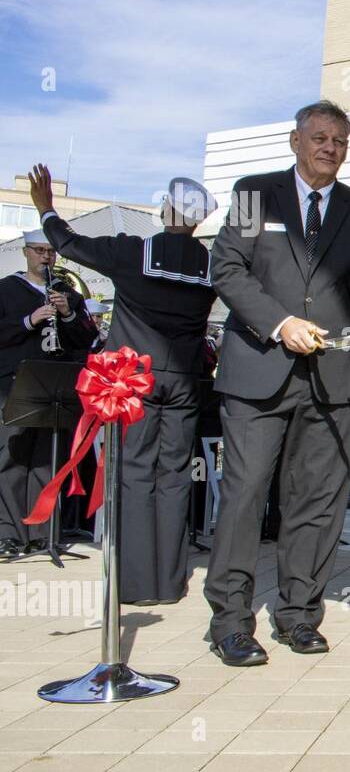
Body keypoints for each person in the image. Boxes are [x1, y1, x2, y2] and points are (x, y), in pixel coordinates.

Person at [204, 100, 350, 667]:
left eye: (339, 140)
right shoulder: (253, 194)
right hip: (258, 372)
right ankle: (232, 623)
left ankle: (298, 616)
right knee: (244, 498)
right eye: (319, 137)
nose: (329, 148)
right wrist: (280, 322)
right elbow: (228, 270)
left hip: (334, 377)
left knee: (318, 503)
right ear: (295, 141)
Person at [30, 165, 220, 604]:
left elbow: (68, 243)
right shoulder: (212, 262)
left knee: (135, 472)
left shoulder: (133, 251)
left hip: (134, 380)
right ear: (200, 220)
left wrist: (46, 210)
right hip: (186, 381)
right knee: (174, 476)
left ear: (165, 209)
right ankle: (170, 582)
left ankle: (136, 584)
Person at [0, 228, 97, 557]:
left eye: (50, 252)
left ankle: (42, 532)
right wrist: (29, 320)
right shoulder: (6, 289)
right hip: (13, 382)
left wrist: (68, 313)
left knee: (46, 459)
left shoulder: (68, 293)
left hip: (54, 383)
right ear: (26, 252)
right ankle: (9, 533)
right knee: (11, 456)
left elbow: (87, 338)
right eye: (39, 251)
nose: (45, 257)